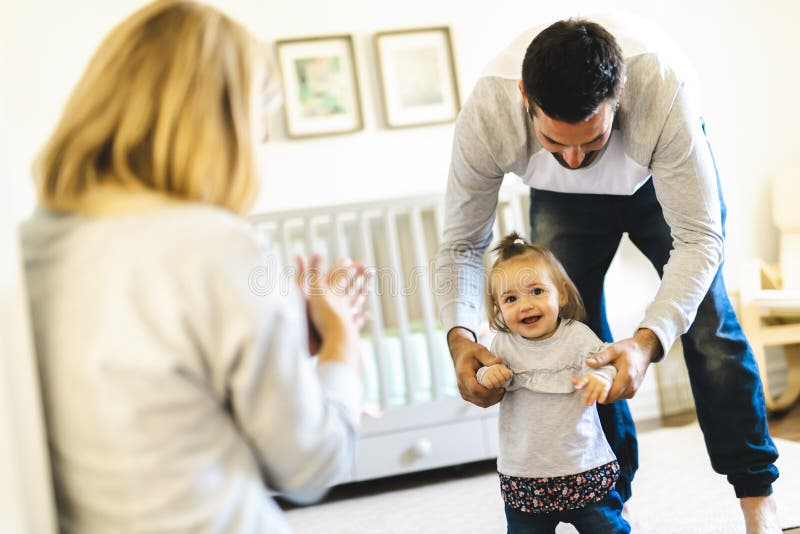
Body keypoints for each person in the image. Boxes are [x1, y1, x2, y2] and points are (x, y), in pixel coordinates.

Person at [20, 1, 369, 532]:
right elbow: (309, 464)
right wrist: (340, 338)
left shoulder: (30, 247)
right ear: (227, 124)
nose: (266, 140)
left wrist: (277, 338)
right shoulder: (217, 248)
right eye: (262, 119)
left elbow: (157, 411)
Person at [435, 15, 781, 533]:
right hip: (562, 205)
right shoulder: (488, 113)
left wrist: (646, 341)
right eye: (556, 141)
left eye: (591, 142)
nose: (575, 160)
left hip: (658, 187)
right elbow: (462, 243)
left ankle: (758, 503)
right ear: (526, 98)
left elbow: (700, 238)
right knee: (569, 341)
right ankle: (611, 502)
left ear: (620, 97)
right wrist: (460, 340)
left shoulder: (662, 89)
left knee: (708, 325)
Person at [478, 232, 629, 533]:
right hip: (525, 475)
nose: (525, 305)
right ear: (498, 309)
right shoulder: (503, 345)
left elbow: (608, 362)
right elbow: (485, 377)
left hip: (583, 466)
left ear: (560, 294)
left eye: (536, 291)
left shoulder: (577, 335)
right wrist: (487, 376)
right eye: (511, 298)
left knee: (606, 528)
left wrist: (601, 376)